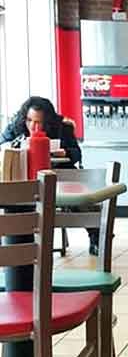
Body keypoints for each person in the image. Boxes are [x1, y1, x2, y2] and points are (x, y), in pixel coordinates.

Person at [1, 96, 100, 255]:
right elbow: (3, 146)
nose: (33, 126)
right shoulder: (15, 127)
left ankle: (95, 236)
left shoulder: (62, 128)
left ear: (47, 122)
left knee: (80, 198)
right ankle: (18, 244)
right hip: (23, 177)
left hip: (58, 173)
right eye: (29, 120)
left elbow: (76, 153)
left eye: (38, 122)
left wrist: (65, 152)